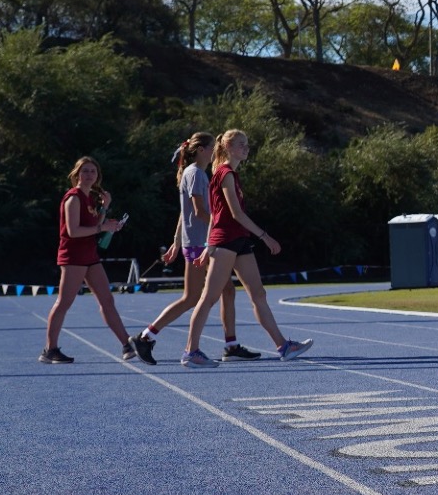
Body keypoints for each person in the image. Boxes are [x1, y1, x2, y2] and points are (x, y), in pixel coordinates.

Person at [182, 130, 311, 367]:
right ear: (228, 147)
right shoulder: (225, 174)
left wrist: (206, 245)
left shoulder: (231, 174)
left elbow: (215, 214)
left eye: (247, 144)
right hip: (226, 242)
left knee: (258, 294)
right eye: (241, 144)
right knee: (209, 297)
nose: (246, 148)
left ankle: (283, 346)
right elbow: (235, 214)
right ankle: (191, 351)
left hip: (238, 240)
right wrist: (265, 236)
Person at [131, 133, 255, 365]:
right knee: (192, 298)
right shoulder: (197, 174)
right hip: (201, 242)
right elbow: (198, 211)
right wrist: (221, 229)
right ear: (201, 150)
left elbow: (183, 212)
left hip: (195, 241)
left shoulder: (193, 173)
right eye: (211, 148)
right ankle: (147, 337)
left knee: (227, 291)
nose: (214, 151)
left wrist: (177, 242)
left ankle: (231, 345)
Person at [41, 156, 140, 364]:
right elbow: (73, 231)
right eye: (85, 171)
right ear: (77, 174)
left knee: (107, 300)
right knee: (64, 302)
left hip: (90, 256)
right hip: (73, 256)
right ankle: (50, 349)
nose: (89, 175)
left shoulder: (89, 199)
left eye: (92, 172)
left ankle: (126, 344)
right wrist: (102, 227)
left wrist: (105, 210)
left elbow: (95, 225)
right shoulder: (74, 198)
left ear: (97, 176)